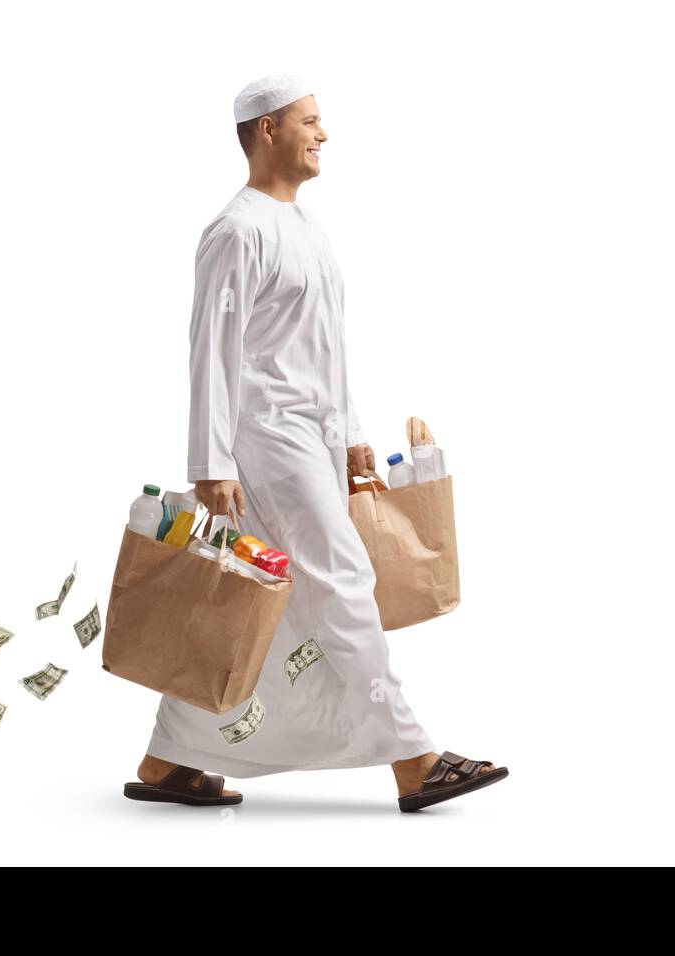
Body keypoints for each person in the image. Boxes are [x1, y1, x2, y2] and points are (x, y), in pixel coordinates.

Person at [124, 75, 507, 812]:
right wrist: (209, 465)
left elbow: (324, 346)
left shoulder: (305, 226)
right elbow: (212, 349)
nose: (324, 133)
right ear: (267, 130)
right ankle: (412, 756)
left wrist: (354, 433)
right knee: (341, 583)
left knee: (266, 599)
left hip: (315, 439)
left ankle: (169, 759)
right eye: (310, 120)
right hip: (267, 439)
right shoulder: (237, 230)